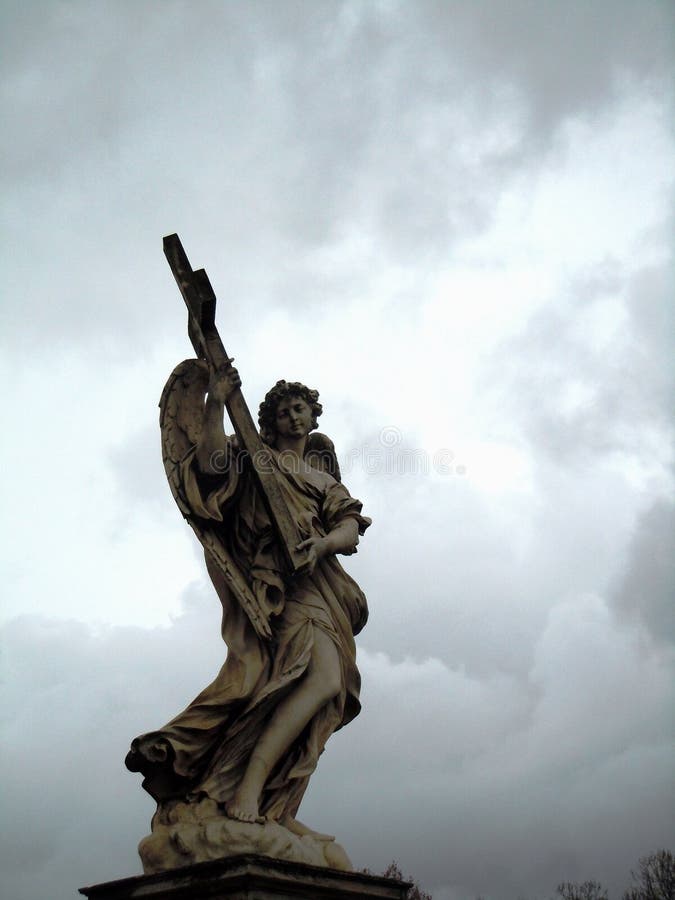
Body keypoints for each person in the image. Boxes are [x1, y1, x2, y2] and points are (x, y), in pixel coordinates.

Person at [126, 364, 370, 837]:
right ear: (271, 420)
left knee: (323, 694)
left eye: (300, 409)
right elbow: (210, 465)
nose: (293, 417)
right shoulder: (253, 459)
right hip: (278, 590)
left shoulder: (321, 478)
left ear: (313, 416)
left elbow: (349, 526)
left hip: (320, 588)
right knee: (320, 680)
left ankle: (276, 805)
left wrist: (322, 544)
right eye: (283, 411)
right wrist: (216, 402)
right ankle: (246, 789)